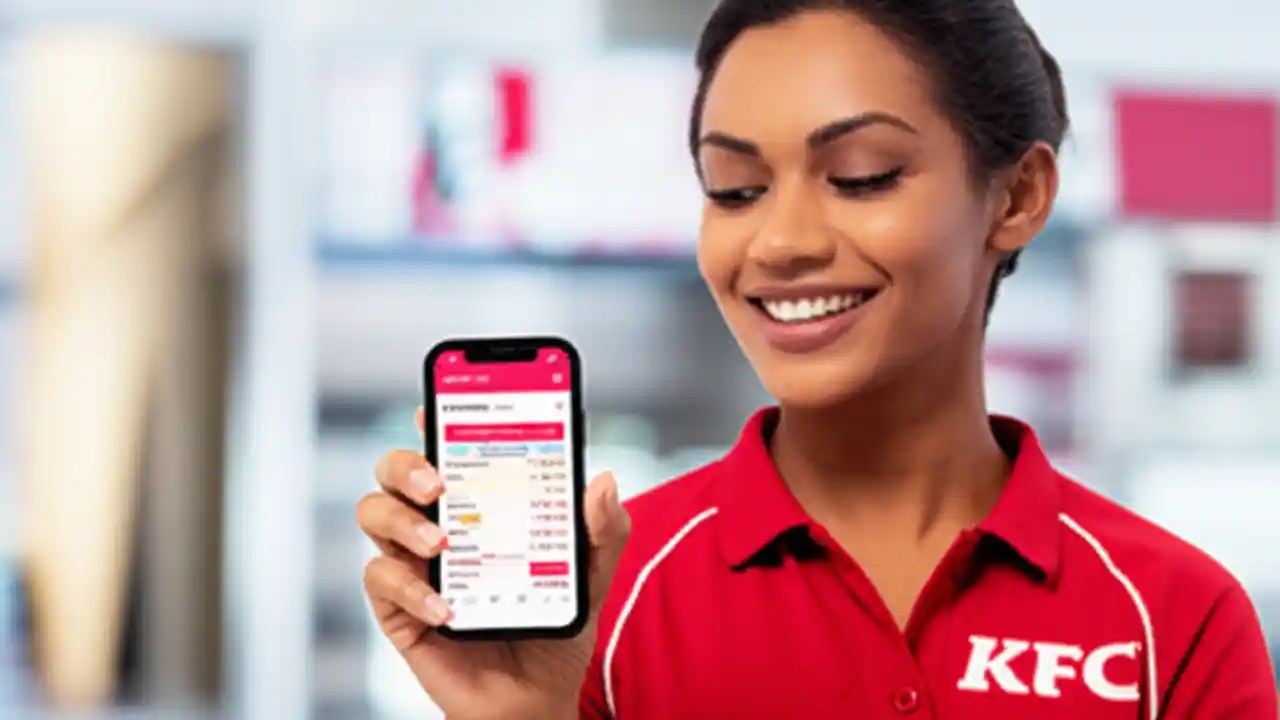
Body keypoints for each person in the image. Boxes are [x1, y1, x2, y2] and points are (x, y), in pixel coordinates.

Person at [357, 1, 1280, 717]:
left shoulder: (1174, 617)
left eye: (863, 177)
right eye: (737, 189)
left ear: (1018, 196)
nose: (780, 242)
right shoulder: (605, 597)